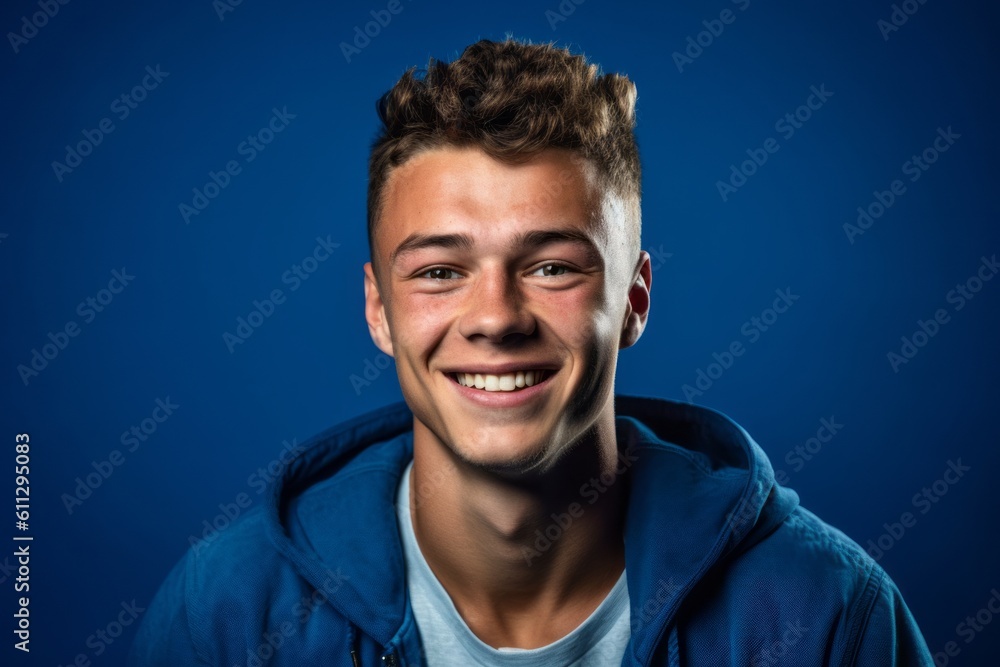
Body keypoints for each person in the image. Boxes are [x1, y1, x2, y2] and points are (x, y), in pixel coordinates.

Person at [130, 38, 934, 666]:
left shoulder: (827, 613)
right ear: (378, 309)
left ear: (633, 299)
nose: (495, 317)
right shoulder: (227, 615)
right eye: (440, 271)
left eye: (552, 266)